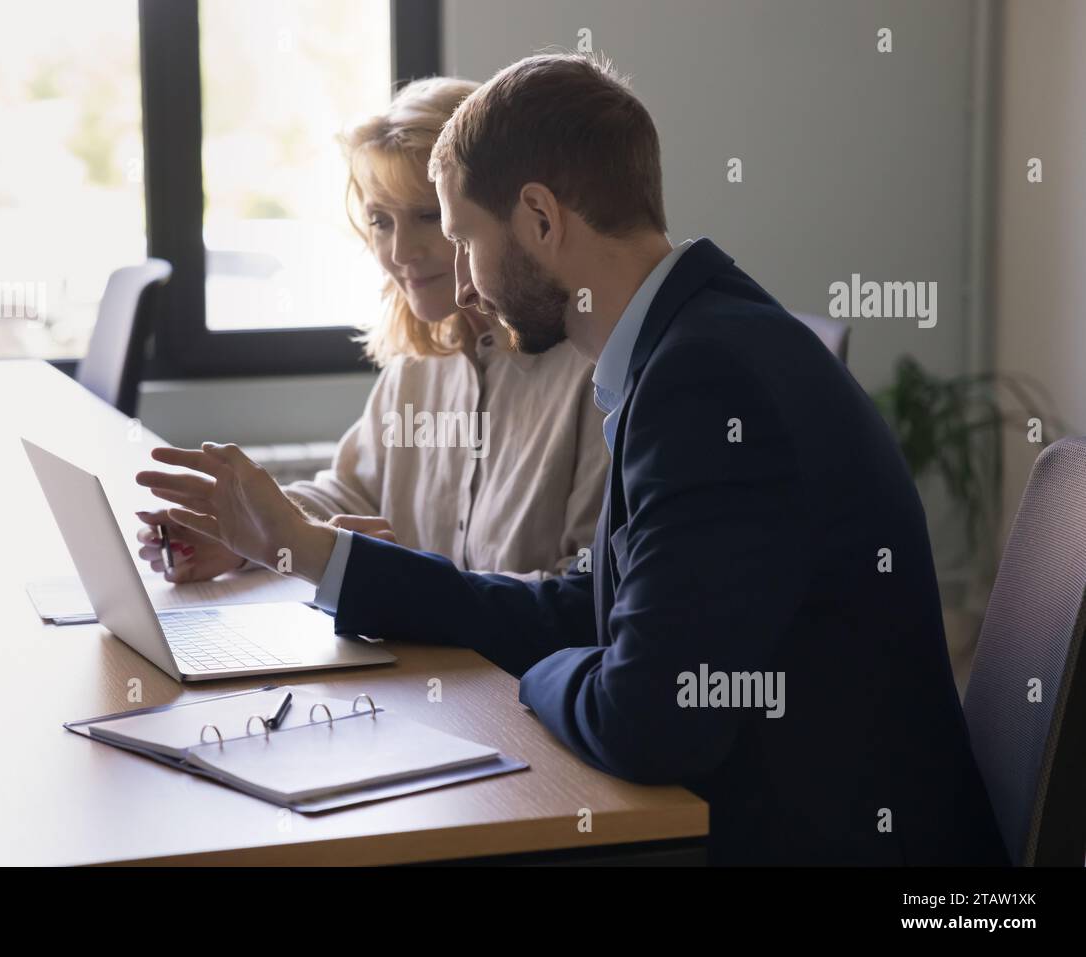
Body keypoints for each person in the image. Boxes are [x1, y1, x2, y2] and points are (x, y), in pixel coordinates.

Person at [135, 54, 1008, 866]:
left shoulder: (704, 381)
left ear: (542, 219)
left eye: (466, 239)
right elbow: (580, 606)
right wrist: (322, 555)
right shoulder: (689, 342)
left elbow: (646, 719)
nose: (464, 286)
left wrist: (533, 678)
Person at [136, 77, 606, 585]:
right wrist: (242, 538)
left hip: (512, 667)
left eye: (428, 216)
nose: (401, 253)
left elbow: (582, 596)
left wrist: (381, 579)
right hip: (418, 660)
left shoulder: (594, 371)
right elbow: (349, 493)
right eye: (380, 221)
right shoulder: (418, 367)